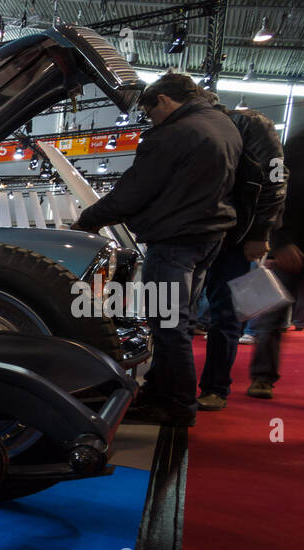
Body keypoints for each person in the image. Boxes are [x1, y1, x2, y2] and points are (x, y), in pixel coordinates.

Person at [73, 73, 242, 427]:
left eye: (151, 114)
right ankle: (160, 391)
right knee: (179, 319)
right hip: (208, 237)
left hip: (175, 240)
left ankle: (178, 405)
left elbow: (134, 190)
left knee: (168, 324)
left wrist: (88, 220)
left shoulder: (172, 134)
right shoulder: (222, 124)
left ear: (163, 101)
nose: (151, 121)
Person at [195, 91, 286, 410]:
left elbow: (276, 181)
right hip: (194, 234)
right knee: (181, 311)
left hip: (234, 235)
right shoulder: (192, 131)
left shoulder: (252, 125)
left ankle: (216, 387)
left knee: (225, 311)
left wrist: (260, 232)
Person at [248, 95, 304, 399]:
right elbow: (277, 195)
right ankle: (263, 377)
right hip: (297, 243)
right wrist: (281, 242)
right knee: (272, 313)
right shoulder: (295, 146)